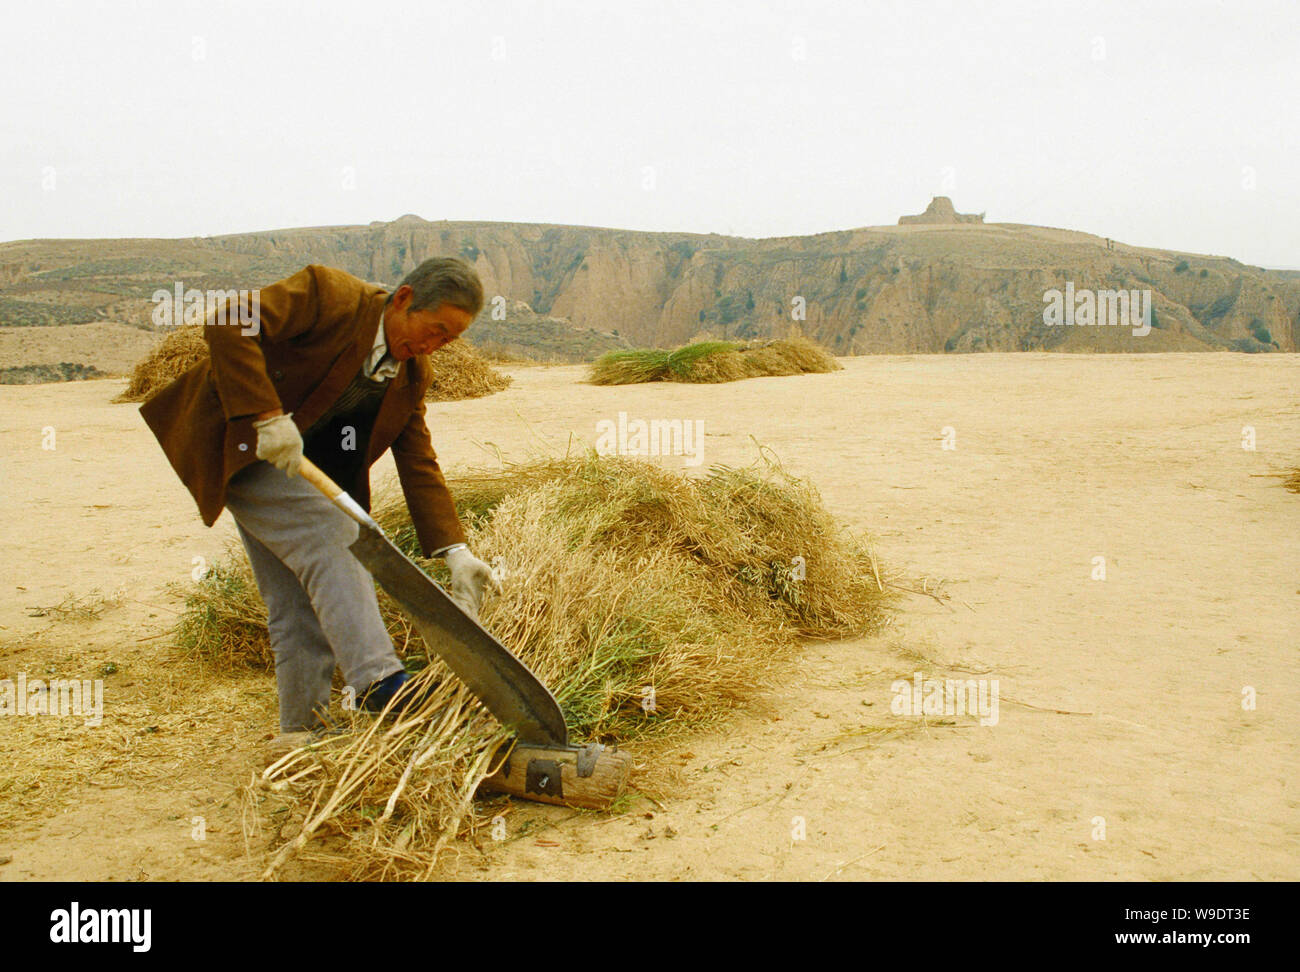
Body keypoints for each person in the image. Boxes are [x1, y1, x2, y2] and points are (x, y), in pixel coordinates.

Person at [140, 258, 496, 748]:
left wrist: (455, 551)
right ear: (404, 299)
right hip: (241, 444)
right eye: (433, 330)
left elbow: (419, 462)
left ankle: (300, 734)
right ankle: (380, 683)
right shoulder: (330, 295)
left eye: (447, 341)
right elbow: (228, 322)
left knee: (294, 603)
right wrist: (266, 417)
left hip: (303, 471)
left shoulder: (412, 375)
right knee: (337, 533)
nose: (432, 346)